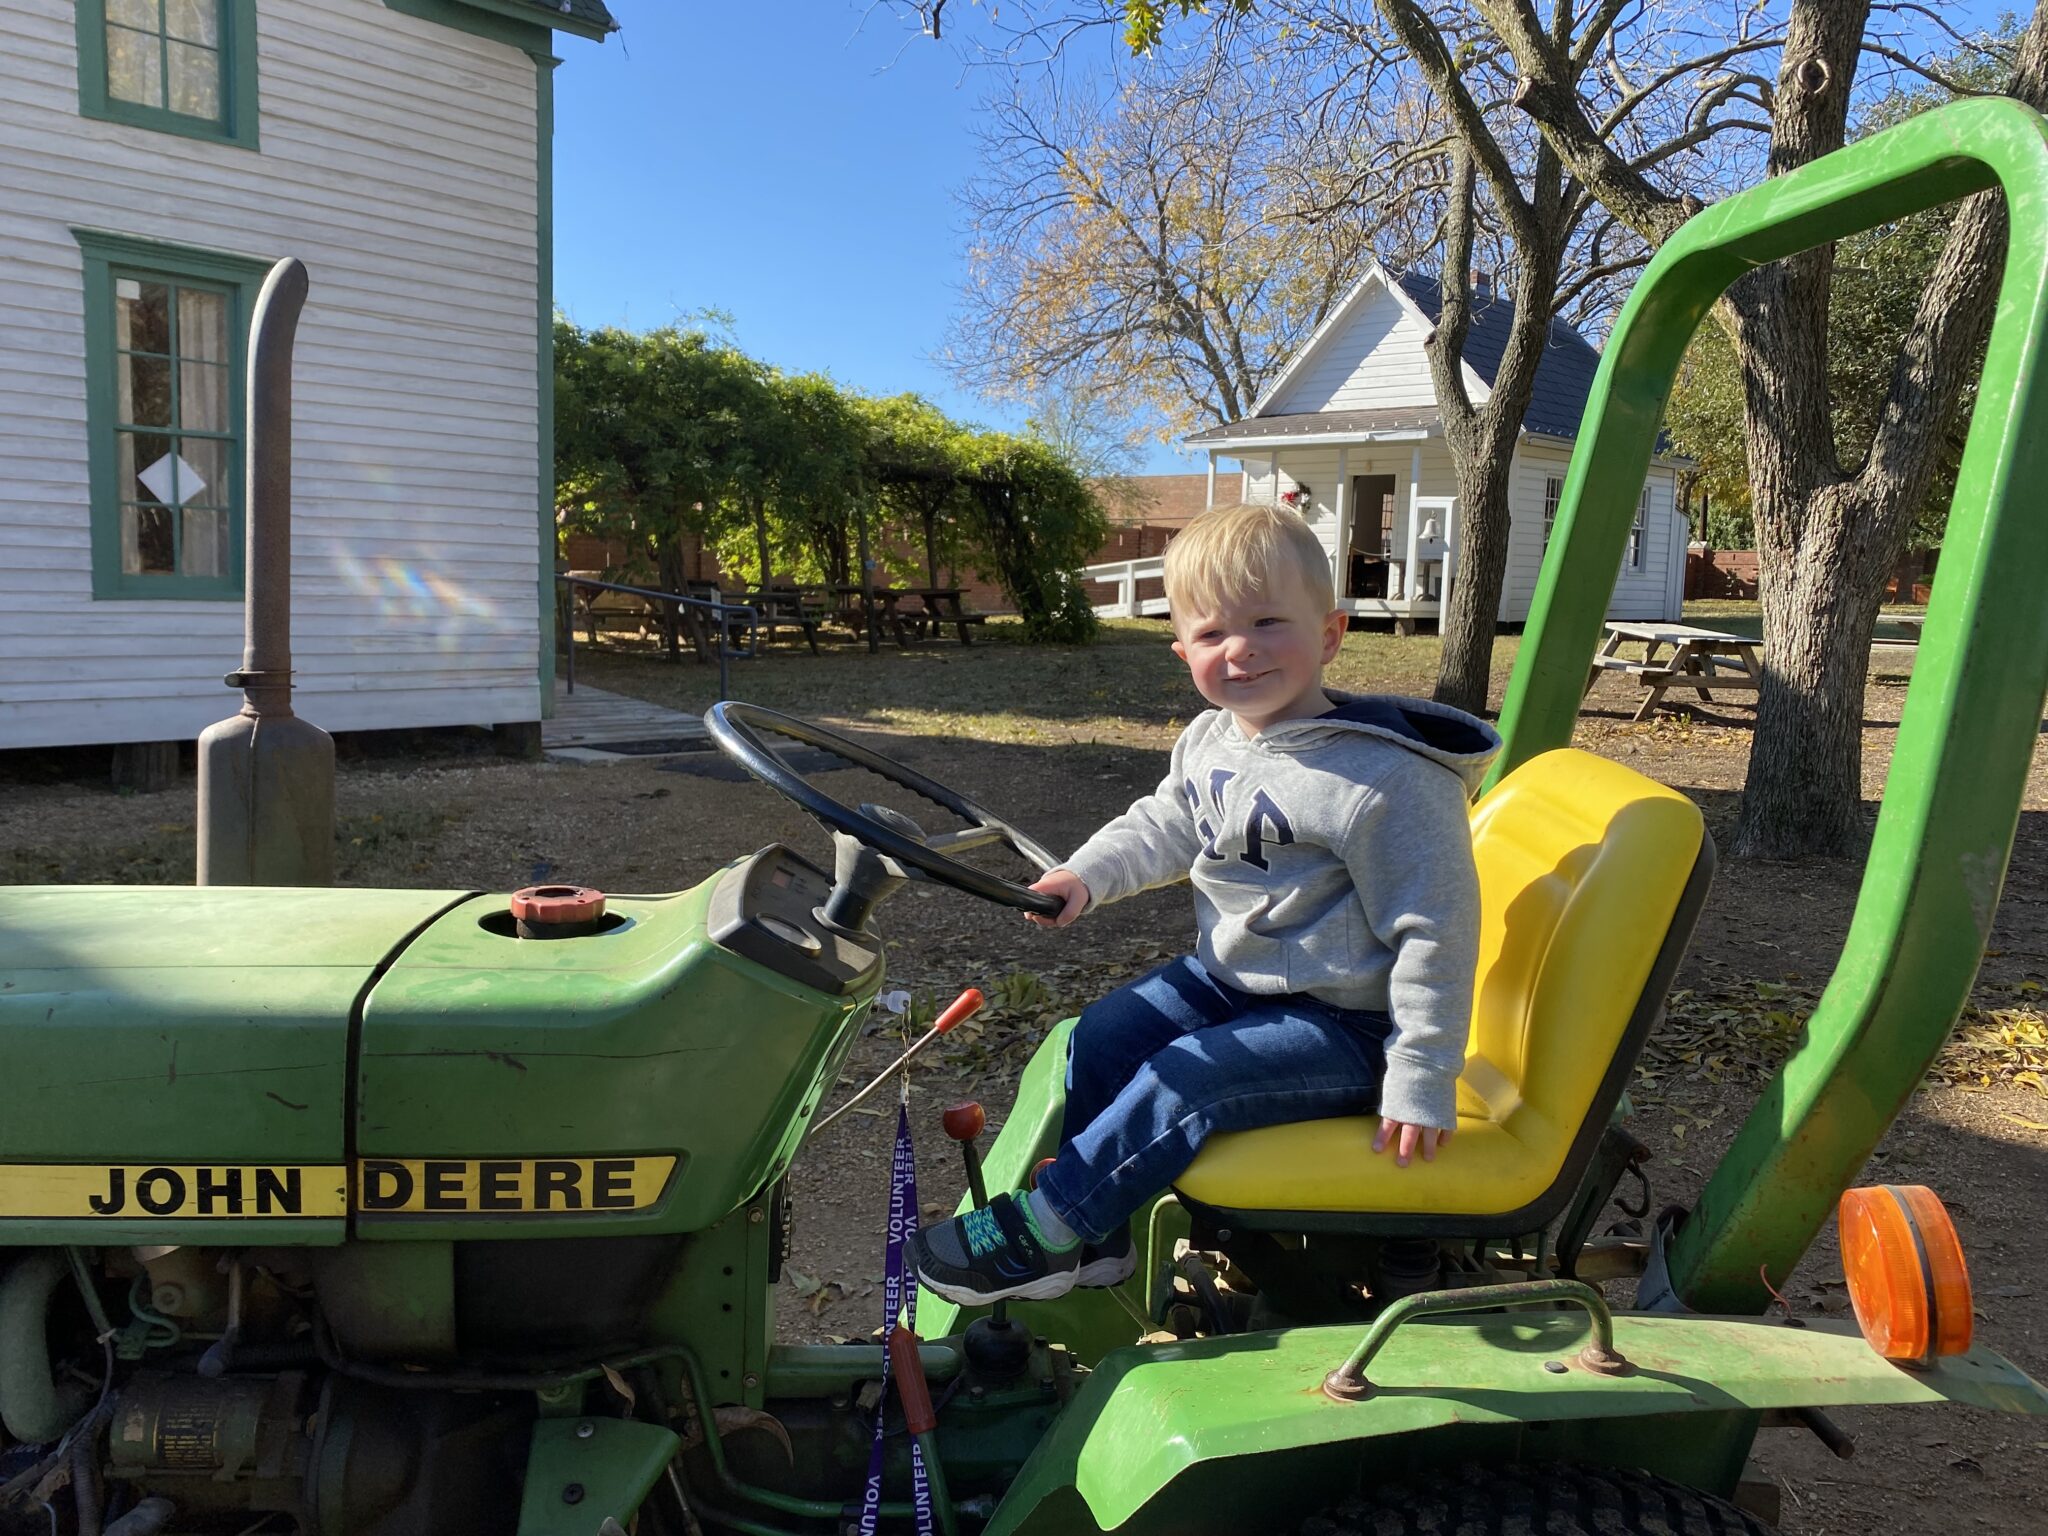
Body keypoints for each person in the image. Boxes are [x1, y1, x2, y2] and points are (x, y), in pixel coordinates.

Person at [907, 502, 1501, 1305]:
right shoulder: (1214, 737)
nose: (1242, 650)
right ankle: (1101, 1240)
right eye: (1215, 634)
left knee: (1185, 1082)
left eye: (1268, 622)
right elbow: (1167, 822)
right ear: (1183, 651)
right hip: (1233, 984)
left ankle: (1052, 1225)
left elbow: (1438, 929)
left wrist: (1421, 1071)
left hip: (1347, 1024)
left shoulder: (1385, 782)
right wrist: (1084, 875)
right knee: (1105, 1035)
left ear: (1329, 634)